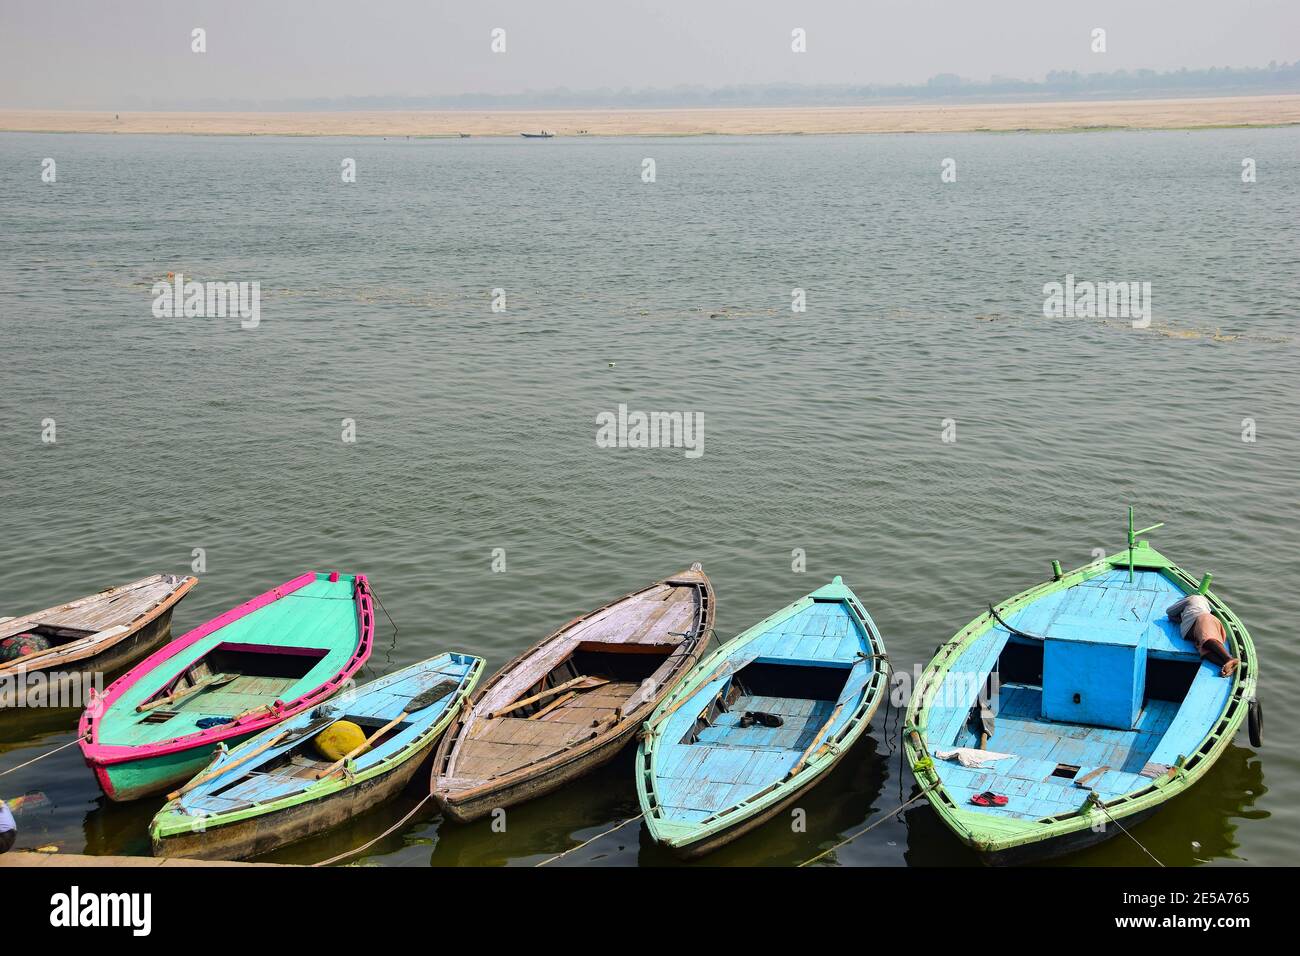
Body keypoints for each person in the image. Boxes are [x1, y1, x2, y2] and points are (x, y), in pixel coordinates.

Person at [1167, 594, 1239, 677]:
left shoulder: (1193, 598)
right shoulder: (1201, 606)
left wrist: (1180, 614)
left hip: (1203, 619)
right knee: (1203, 650)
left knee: (1207, 638)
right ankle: (1225, 666)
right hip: (1196, 628)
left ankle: (1229, 659)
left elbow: (1169, 612)